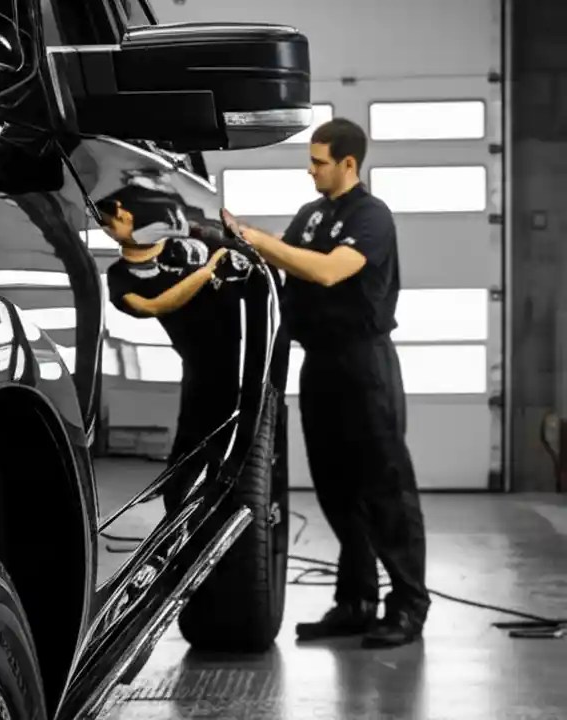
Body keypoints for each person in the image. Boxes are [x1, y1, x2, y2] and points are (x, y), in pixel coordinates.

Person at [220, 117, 429, 649]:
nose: (309, 168)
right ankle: (356, 602)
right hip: (320, 367)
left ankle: (407, 606)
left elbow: (331, 271)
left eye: (318, 161)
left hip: (364, 367)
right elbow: (287, 266)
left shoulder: (372, 216)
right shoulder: (311, 214)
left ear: (348, 164)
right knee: (337, 490)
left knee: (385, 490)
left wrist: (260, 239)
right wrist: (237, 245)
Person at [97, 186, 244, 512]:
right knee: (191, 448)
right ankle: (179, 523)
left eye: (119, 216)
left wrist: (238, 242)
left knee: (239, 454)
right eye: (109, 223)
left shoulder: (194, 239)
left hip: (242, 360)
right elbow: (153, 305)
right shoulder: (121, 275)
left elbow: (247, 259)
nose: (112, 226)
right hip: (200, 365)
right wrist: (206, 273)